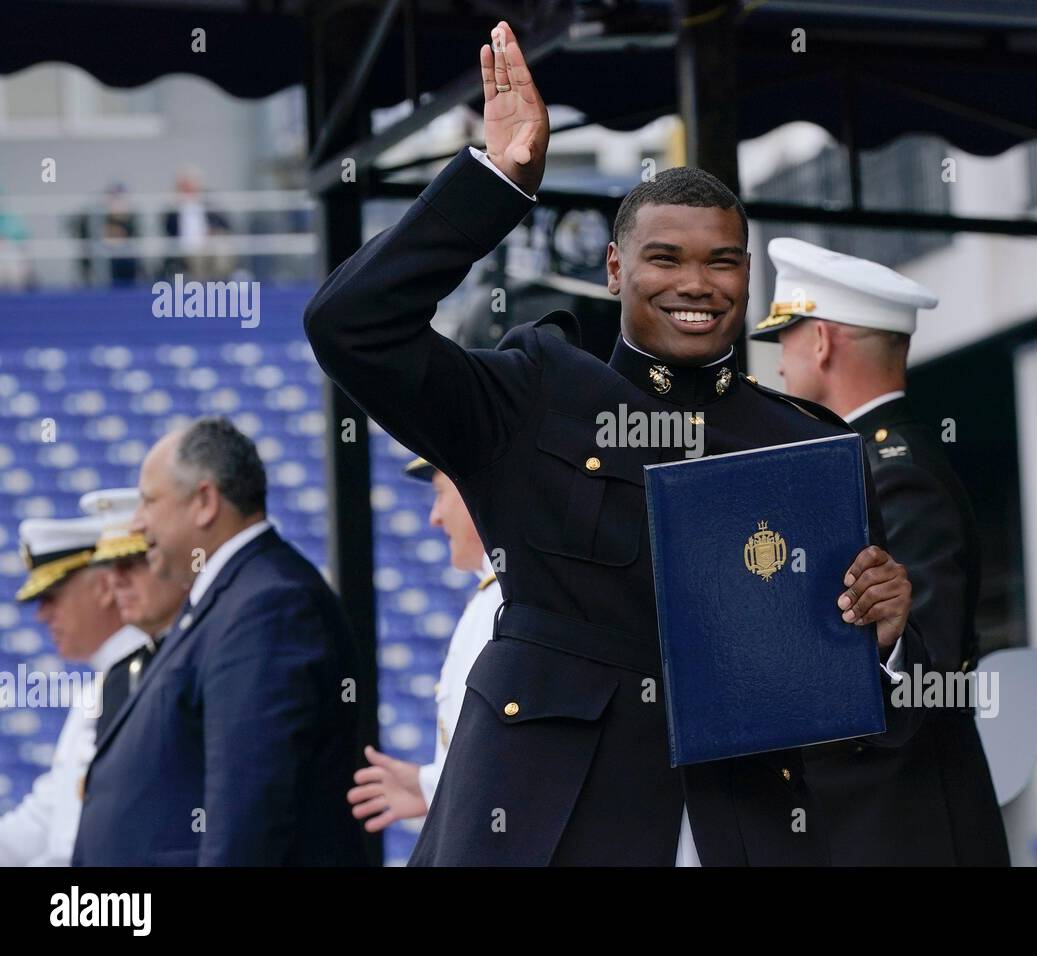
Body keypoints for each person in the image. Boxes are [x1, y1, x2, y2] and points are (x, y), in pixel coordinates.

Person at [305, 20, 926, 866]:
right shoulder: (535, 393)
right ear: (612, 270)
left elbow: (875, 715)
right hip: (543, 826)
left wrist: (886, 640)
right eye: (664, 258)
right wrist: (497, 183)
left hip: (736, 834)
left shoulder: (804, 446)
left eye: (724, 263)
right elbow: (350, 325)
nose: (697, 285)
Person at [751, 237, 1010, 865]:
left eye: (787, 338)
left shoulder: (894, 470)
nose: (781, 364)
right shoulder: (863, 460)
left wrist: (893, 641)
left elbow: (928, 662)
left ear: (821, 341)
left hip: (901, 828)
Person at [72, 417, 368, 866]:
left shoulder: (268, 605)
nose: (137, 523)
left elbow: (248, 816)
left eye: (149, 502)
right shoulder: (232, 599)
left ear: (205, 502)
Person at [348, 457, 501, 833]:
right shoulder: (495, 597)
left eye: (440, 495)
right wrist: (430, 785)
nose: (434, 517)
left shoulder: (507, 603)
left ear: (473, 494)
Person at [0, 513, 148, 866]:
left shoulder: (139, 679)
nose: (42, 615)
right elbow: (49, 816)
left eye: (52, 595)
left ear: (104, 588)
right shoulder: (103, 685)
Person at [83, 487, 189, 689]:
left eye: (132, 562)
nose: (116, 580)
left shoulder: (212, 649)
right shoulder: (123, 676)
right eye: (111, 566)